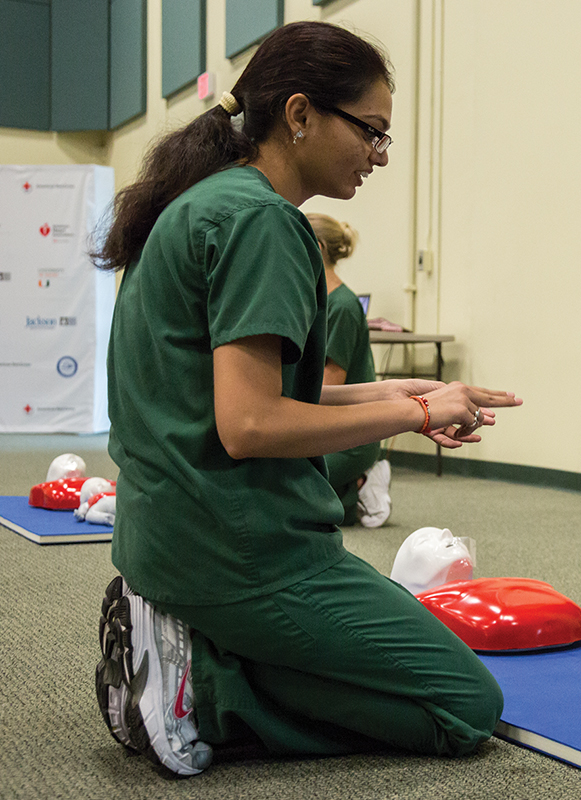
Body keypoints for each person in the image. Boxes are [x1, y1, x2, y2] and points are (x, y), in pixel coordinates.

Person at [91, 21, 521, 776]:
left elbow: (237, 395)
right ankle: (208, 688)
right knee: (464, 707)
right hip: (238, 550)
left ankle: (197, 649)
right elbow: (251, 424)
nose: (379, 156)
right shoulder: (263, 221)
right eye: (372, 133)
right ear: (298, 115)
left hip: (172, 536)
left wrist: (392, 389)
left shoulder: (206, 203)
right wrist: (417, 416)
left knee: (387, 673)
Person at [306, 212, 391, 528]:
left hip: (350, 434)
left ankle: (360, 486)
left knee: (286, 489)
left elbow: (329, 390)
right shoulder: (317, 299)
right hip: (331, 426)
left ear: (317, 246)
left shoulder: (340, 306)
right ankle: (351, 486)